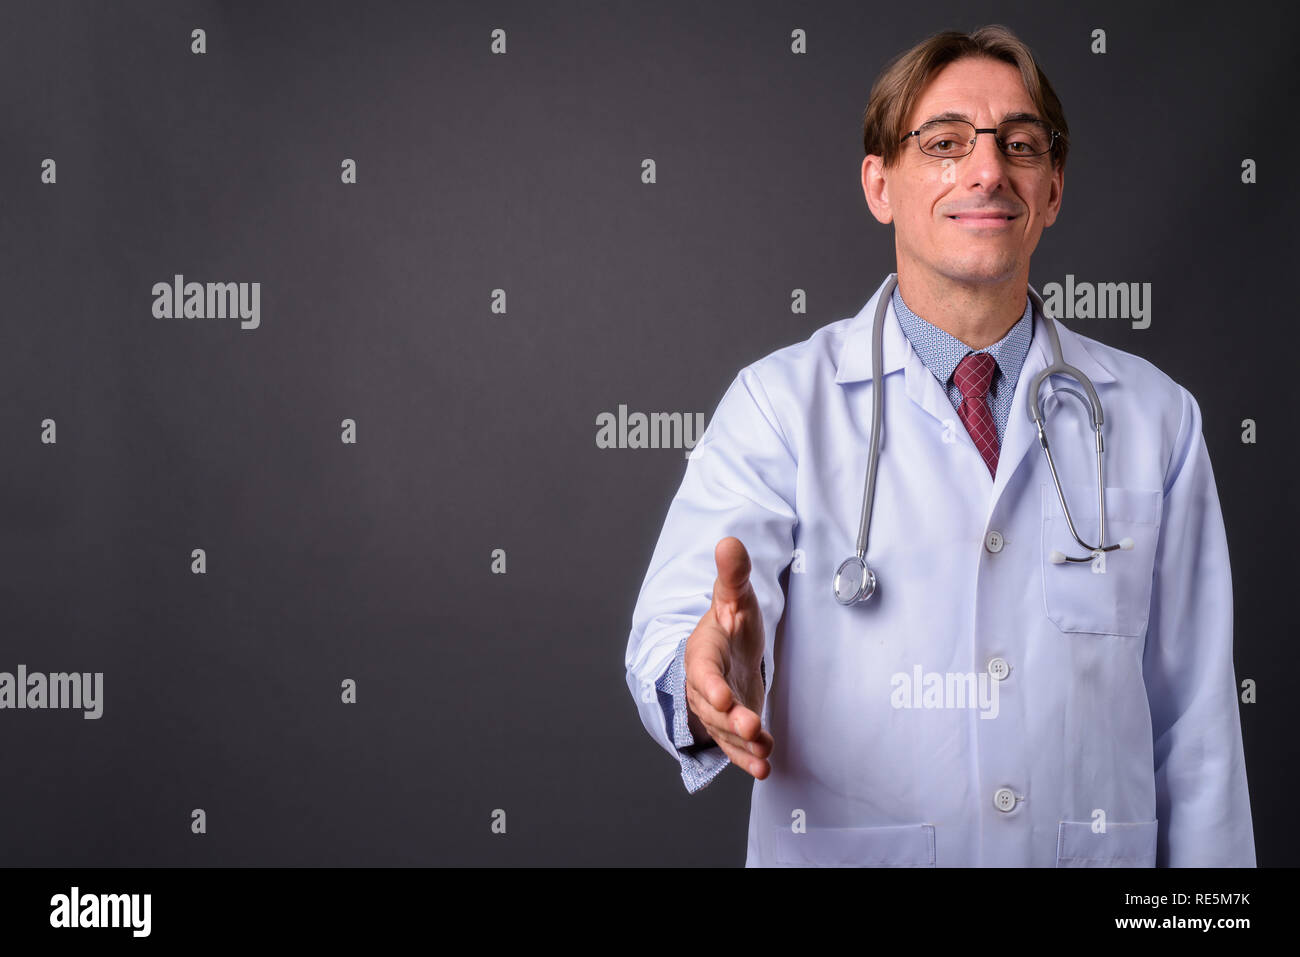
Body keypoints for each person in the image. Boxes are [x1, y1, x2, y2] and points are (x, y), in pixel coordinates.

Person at [623, 24, 1255, 867]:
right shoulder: (779, 404)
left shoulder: (1154, 417)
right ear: (880, 183)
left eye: (1020, 145)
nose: (989, 171)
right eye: (946, 142)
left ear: (1054, 189)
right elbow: (679, 628)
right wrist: (710, 677)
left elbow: (1199, 728)